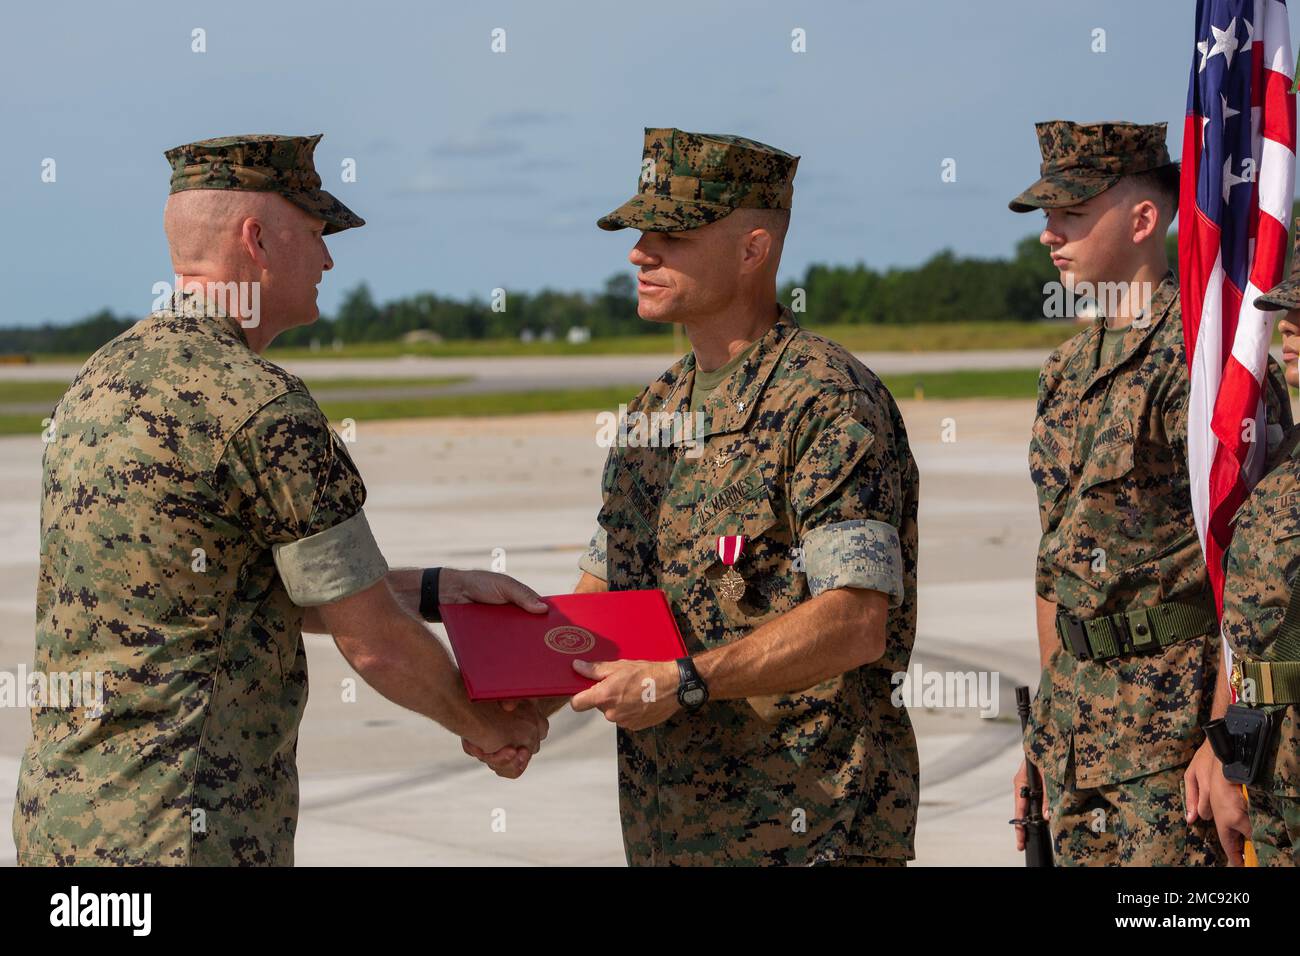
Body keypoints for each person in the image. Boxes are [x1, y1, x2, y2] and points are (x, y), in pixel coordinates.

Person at [13, 134, 548, 867]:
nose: (328, 259)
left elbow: (225, 588)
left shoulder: (96, 384)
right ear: (257, 240)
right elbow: (374, 643)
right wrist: (482, 724)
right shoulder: (261, 406)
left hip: (67, 825)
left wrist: (439, 588)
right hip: (190, 830)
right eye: (316, 235)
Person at [471, 127, 920, 865]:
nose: (640, 252)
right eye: (641, 232)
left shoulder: (826, 402)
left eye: (671, 234)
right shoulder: (655, 411)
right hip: (669, 826)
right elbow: (606, 592)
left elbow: (855, 621)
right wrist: (526, 708)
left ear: (752, 250)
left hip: (810, 825)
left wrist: (681, 682)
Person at [1010, 120, 1292, 865]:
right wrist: (1046, 727)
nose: (1049, 234)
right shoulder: (1063, 373)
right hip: (1075, 738)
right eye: (1047, 215)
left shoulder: (1206, 364)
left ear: (1144, 219)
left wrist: (1225, 739)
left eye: (1071, 212)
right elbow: (1055, 563)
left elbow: (1263, 565)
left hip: (1174, 744)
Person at [1215, 243, 1300, 866]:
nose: (1288, 328)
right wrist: (1227, 753)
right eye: (1287, 311)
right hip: (1271, 772)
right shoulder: (1285, 459)